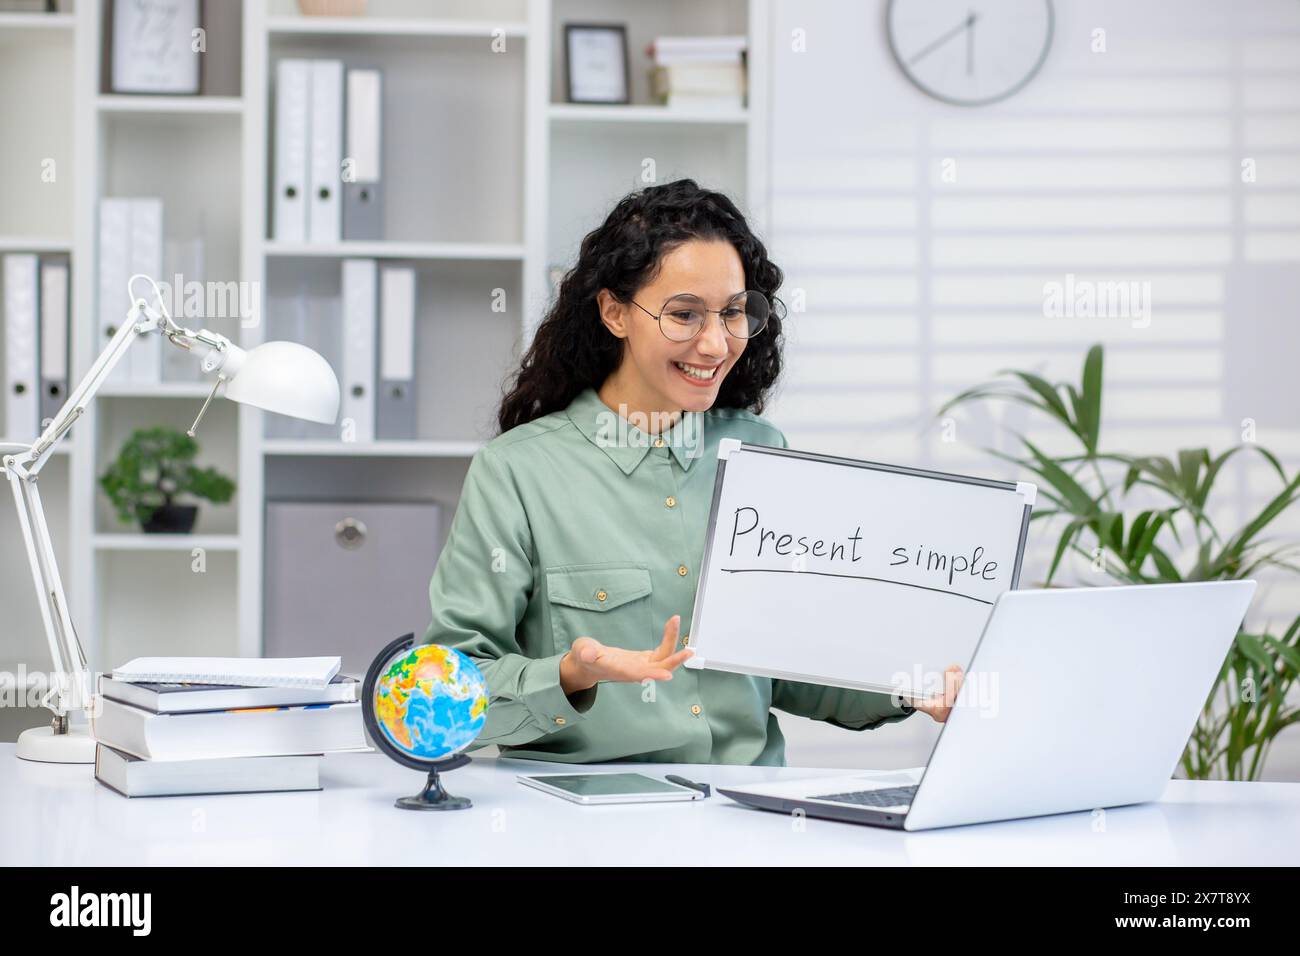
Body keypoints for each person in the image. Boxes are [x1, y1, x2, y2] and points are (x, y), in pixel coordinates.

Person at [420, 178, 962, 765]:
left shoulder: (761, 450)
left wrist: (908, 685)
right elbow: (445, 697)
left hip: (748, 812)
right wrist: (568, 676)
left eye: (733, 313)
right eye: (684, 315)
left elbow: (790, 670)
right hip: (588, 822)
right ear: (613, 312)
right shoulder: (518, 473)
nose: (714, 343)